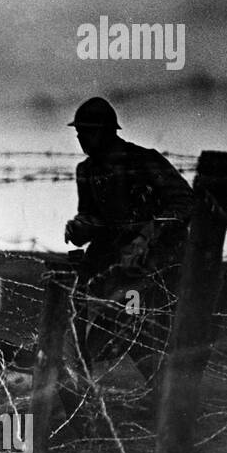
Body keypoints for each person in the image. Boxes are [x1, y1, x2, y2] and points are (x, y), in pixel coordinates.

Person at [63, 97, 193, 389]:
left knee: (137, 330)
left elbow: (184, 202)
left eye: (88, 131)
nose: (81, 138)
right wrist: (81, 226)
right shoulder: (87, 171)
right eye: (79, 132)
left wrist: (146, 237)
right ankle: (84, 391)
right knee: (117, 328)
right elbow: (95, 218)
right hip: (116, 267)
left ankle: (165, 398)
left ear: (108, 131)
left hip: (158, 264)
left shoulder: (143, 160)